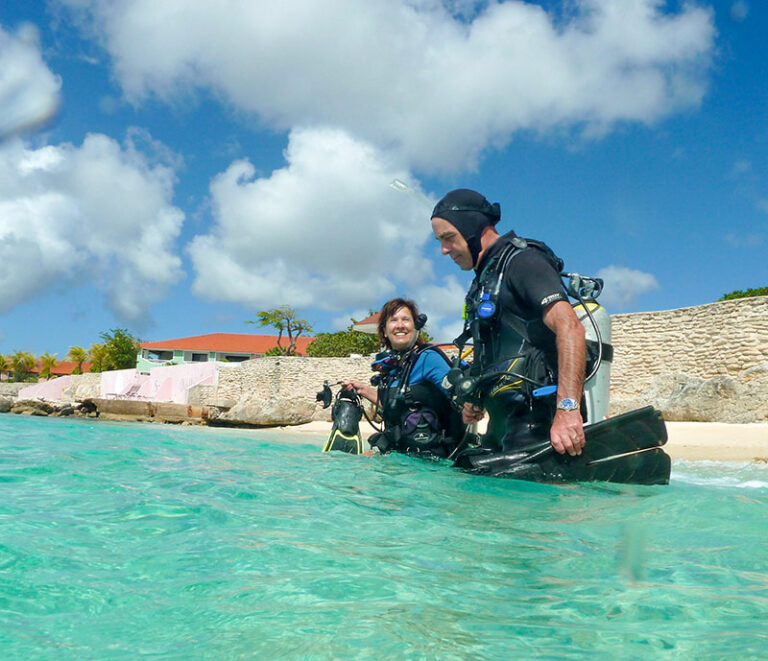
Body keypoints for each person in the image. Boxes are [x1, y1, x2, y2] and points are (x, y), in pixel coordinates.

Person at [430, 188, 587, 457]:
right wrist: (475, 398)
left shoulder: (523, 261)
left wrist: (568, 409)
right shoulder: (485, 279)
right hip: (500, 426)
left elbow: (570, 328)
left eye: (449, 238)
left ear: (472, 229)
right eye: (440, 241)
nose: (444, 250)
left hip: (537, 422)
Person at [343, 298, 465, 458]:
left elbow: (459, 393)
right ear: (385, 331)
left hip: (435, 461)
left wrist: (470, 402)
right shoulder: (392, 367)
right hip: (402, 457)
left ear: (416, 327)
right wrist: (364, 390)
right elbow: (396, 405)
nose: (400, 325)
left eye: (406, 320)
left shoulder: (428, 358)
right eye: (393, 320)